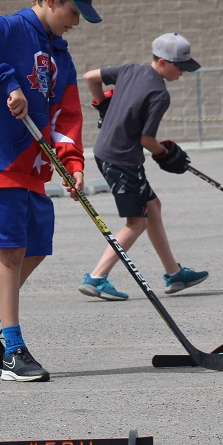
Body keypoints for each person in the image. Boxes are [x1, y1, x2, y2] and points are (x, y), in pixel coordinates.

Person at [0, 0, 101, 382]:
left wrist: (72, 164)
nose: (77, 23)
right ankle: (13, 349)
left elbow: (67, 114)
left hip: (34, 165)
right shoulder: (8, 30)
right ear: (52, 0)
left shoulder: (62, 54)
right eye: (74, 12)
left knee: (35, 248)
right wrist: (6, 81)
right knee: (12, 251)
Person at [78, 33, 208, 301]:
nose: (182, 73)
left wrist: (102, 103)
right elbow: (146, 139)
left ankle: (174, 273)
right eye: (179, 67)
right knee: (137, 222)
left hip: (106, 152)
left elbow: (90, 77)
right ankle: (97, 277)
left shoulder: (129, 70)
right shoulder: (160, 94)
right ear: (162, 62)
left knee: (152, 206)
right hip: (123, 159)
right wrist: (166, 154)